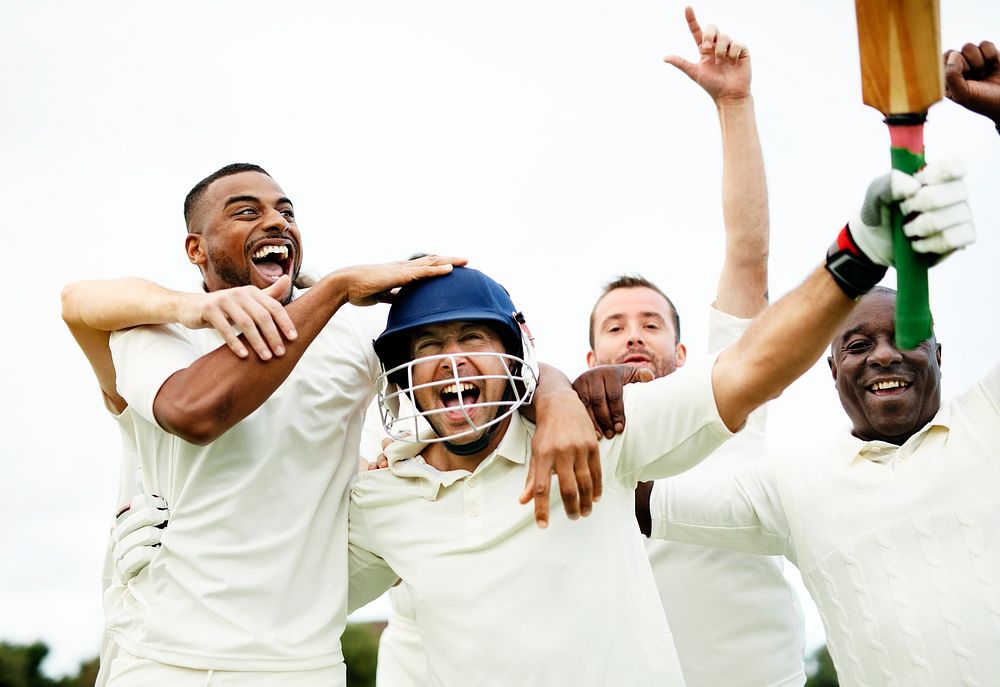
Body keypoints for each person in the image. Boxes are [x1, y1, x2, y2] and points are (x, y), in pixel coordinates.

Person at [342, 153, 971, 685]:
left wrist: (858, 253)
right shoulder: (382, 498)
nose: (452, 362)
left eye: (472, 338)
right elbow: (295, 597)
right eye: (429, 347)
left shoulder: (603, 433)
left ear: (515, 353)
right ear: (401, 376)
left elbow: (750, 365)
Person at [60, 162, 599, 686]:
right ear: (196, 248)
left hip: (303, 664)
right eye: (246, 212)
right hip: (161, 657)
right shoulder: (152, 332)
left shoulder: (351, 331)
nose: (276, 222)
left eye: (286, 211)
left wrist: (555, 395)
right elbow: (194, 412)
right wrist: (332, 288)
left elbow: (476, 368)